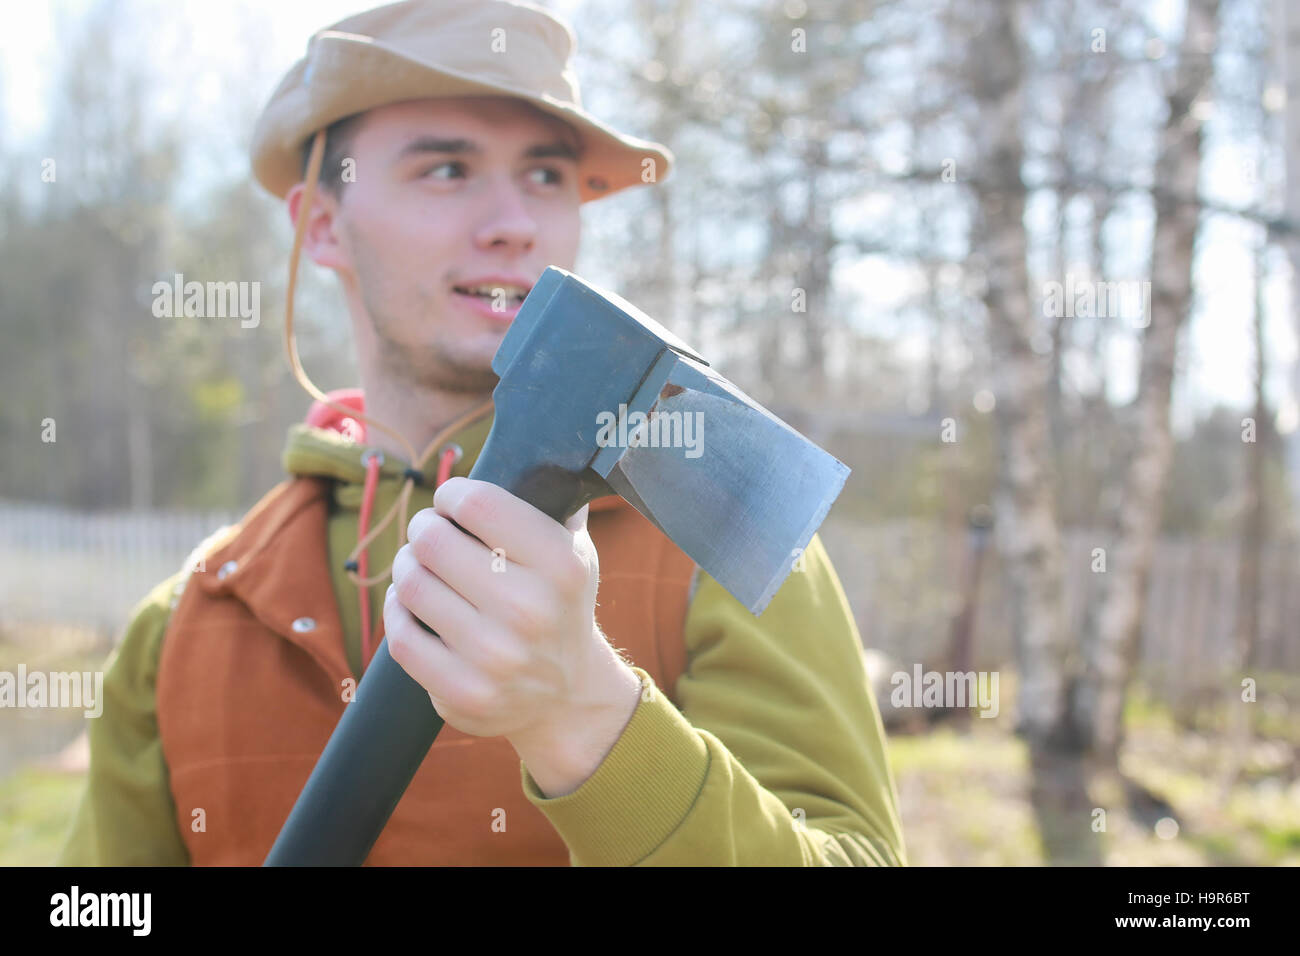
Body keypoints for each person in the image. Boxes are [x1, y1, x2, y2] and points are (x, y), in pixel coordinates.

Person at [57, 0, 906, 866]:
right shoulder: (189, 621)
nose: (514, 222)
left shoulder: (712, 539)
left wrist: (586, 716)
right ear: (321, 224)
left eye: (545, 176)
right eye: (446, 169)